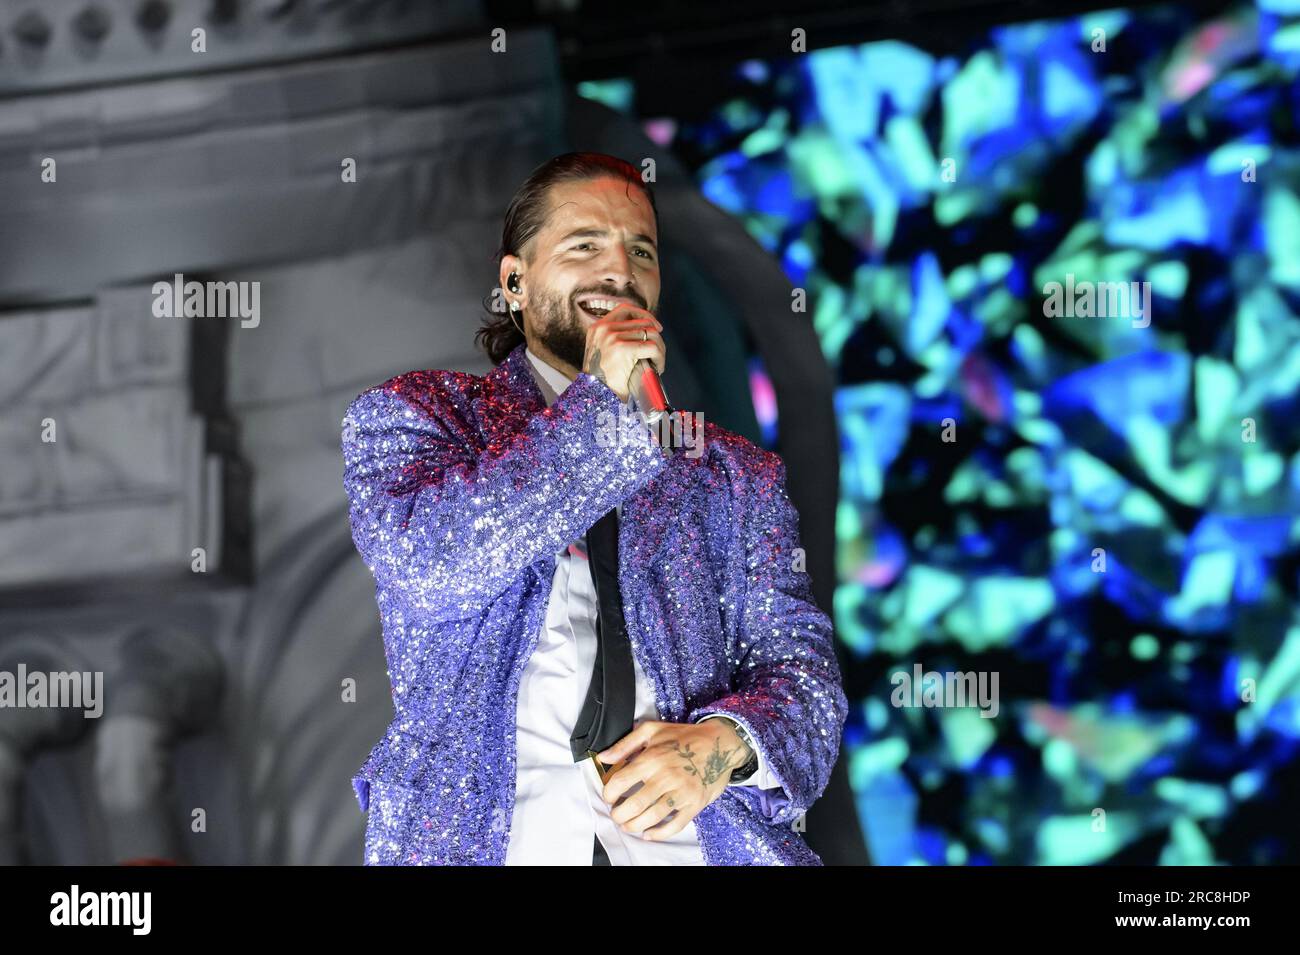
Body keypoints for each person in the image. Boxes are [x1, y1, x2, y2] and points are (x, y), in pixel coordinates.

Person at [342, 152, 846, 865]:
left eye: (641, 251)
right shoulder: (421, 416)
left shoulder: (733, 473)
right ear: (514, 281)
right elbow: (435, 567)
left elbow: (806, 681)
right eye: (585, 246)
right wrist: (604, 412)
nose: (620, 272)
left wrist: (723, 745)